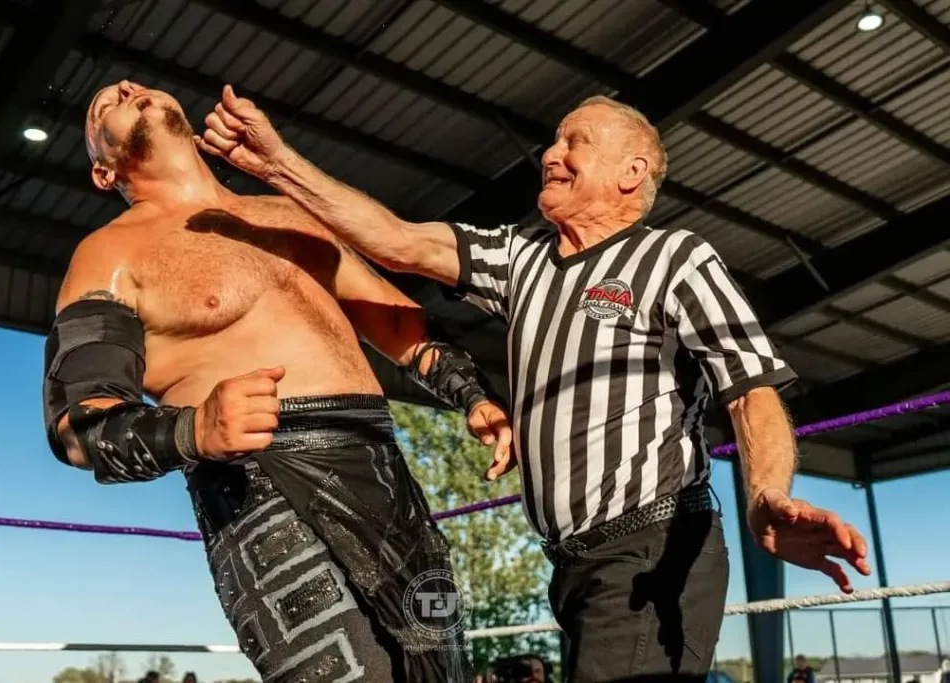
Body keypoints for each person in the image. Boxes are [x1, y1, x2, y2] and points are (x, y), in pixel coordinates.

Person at [195, 86, 873, 682]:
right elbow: (399, 241)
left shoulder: (675, 256)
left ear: (631, 172)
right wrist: (276, 163)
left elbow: (749, 386)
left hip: (652, 549)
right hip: (574, 565)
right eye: (553, 140)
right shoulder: (522, 259)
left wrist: (765, 494)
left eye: (575, 141)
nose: (551, 153)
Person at [42, 80, 517, 683]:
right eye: (101, 105)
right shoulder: (109, 253)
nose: (127, 88)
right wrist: (195, 429)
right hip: (260, 485)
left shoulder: (291, 214)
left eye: (129, 84)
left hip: (382, 470)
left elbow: (401, 328)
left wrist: (471, 394)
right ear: (103, 174)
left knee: (442, 670)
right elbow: (78, 428)